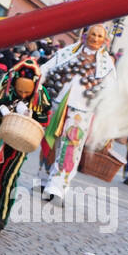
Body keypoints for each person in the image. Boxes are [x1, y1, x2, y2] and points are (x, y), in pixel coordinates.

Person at [35, 24, 116, 202]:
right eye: (92, 34)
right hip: (58, 104)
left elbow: (111, 91)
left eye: (99, 36)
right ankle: (43, 178)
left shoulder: (106, 64)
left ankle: (57, 187)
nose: (95, 38)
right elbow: (46, 69)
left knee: (70, 148)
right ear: (85, 35)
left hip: (82, 111)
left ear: (104, 40)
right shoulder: (68, 52)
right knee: (50, 141)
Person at [0, 58, 52, 231]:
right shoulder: (4, 85)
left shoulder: (40, 94)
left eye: (27, 92)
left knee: (9, 177)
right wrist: (1, 106)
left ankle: (0, 217)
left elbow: (45, 118)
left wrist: (30, 114)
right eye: (20, 90)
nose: (23, 94)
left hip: (21, 141)